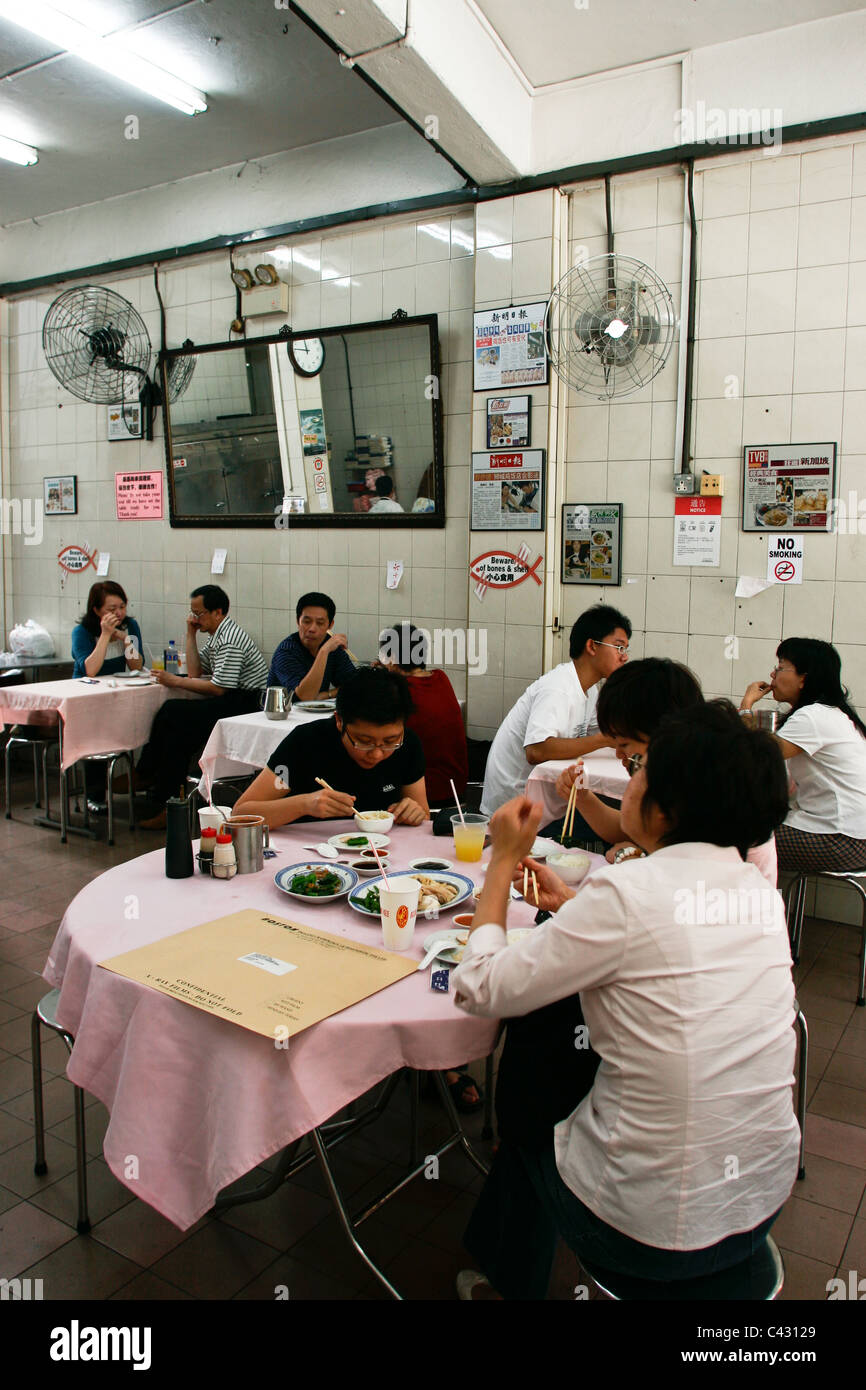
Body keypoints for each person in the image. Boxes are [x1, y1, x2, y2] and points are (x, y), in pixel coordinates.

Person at [453, 703, 798, 1300]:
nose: (627, 778)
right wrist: (574, 910)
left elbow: (478, 986)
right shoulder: (756, 891)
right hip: (761, 1202)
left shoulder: (629, 889)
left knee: (530, 1115)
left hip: (648, 1233)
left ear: (663, 809)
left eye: (638, 768)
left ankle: (506, 1283)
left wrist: (503, 859)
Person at [553, 658, 779, 882]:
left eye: (624, 745)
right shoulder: (684, 772)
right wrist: (582, 797)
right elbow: (630, 826)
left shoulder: (711, 784)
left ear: (665, 735)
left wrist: (638, 858)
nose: (620, 755)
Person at [137, 586, 268, 830]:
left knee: (173, 711)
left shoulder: (230, 638)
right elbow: (197, 672)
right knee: (177, 732)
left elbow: (219, 688)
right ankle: (167, 800)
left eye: (200, 614)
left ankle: (149, 776)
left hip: (245, 704)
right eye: (193, 613)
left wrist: (174, 680)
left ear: (218, 612)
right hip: (230, 699)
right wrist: (190, 634)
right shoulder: (216, 635)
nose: (195, 619)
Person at [480, 605, 631, 815]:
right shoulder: (558, 687)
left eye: (625, 650)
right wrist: (606, 739)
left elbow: (607, 731)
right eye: (619, 647)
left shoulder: (591, 690)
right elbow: (536, 751)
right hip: (515, 806)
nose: (624, 657)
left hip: (547, 794)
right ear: (592, 646)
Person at [234, 667, 428, 827]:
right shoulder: (305, 744)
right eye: (363, 741)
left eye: (389, 742)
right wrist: (304, 804)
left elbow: (423, 814)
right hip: (308, 858)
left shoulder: (407, 745)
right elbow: (241, 814)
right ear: (339, 721)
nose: (377, 754)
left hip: (384, 857)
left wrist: (414, 811)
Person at [740, 637, 866, 873]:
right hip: (851, 837)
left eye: (780, 667)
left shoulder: (813, 717)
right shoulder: (831, 713)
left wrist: (746, 706)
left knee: (732, 837)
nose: (772, 674)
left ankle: (755, 908)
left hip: (841, 841)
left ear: (804, 678)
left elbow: (756, 756)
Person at [377, 623, 468, 803]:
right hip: (457, 787)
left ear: (393, 658)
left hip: (426, 792)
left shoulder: (398, 691)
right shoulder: (441, 677)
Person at [268, 592, 355, 699]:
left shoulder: (331, 646)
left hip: (316, 714)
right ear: (297, 621)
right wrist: (323, 652)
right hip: (283, 714)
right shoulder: (286, 651)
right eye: (307, 621)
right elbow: (304, 697)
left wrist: (327, 694)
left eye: (320, 623)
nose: (312, 629)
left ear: (330, 625)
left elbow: (355, 685)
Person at [71, 581, 144, 679]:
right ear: (96, 610)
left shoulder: (130, 625)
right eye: (112, 609)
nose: (119, 613)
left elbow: (137, 668)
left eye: (122, 607)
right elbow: (90, 671)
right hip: (85, 687)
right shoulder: (81, 632)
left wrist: (126, 639)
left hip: (114, 686)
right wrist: (105, 634)